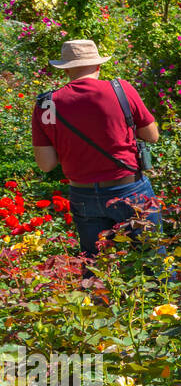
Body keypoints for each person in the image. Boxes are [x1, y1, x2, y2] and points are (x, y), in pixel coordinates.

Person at [31, 39, 162, 258]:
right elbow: (152, 136)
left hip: (82, 195)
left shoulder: (47, 104)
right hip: (129, 190)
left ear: (66, 69)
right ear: (98, 65)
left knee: (95, 268)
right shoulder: (120, 90)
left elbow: (46, 164)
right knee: (154, 260)